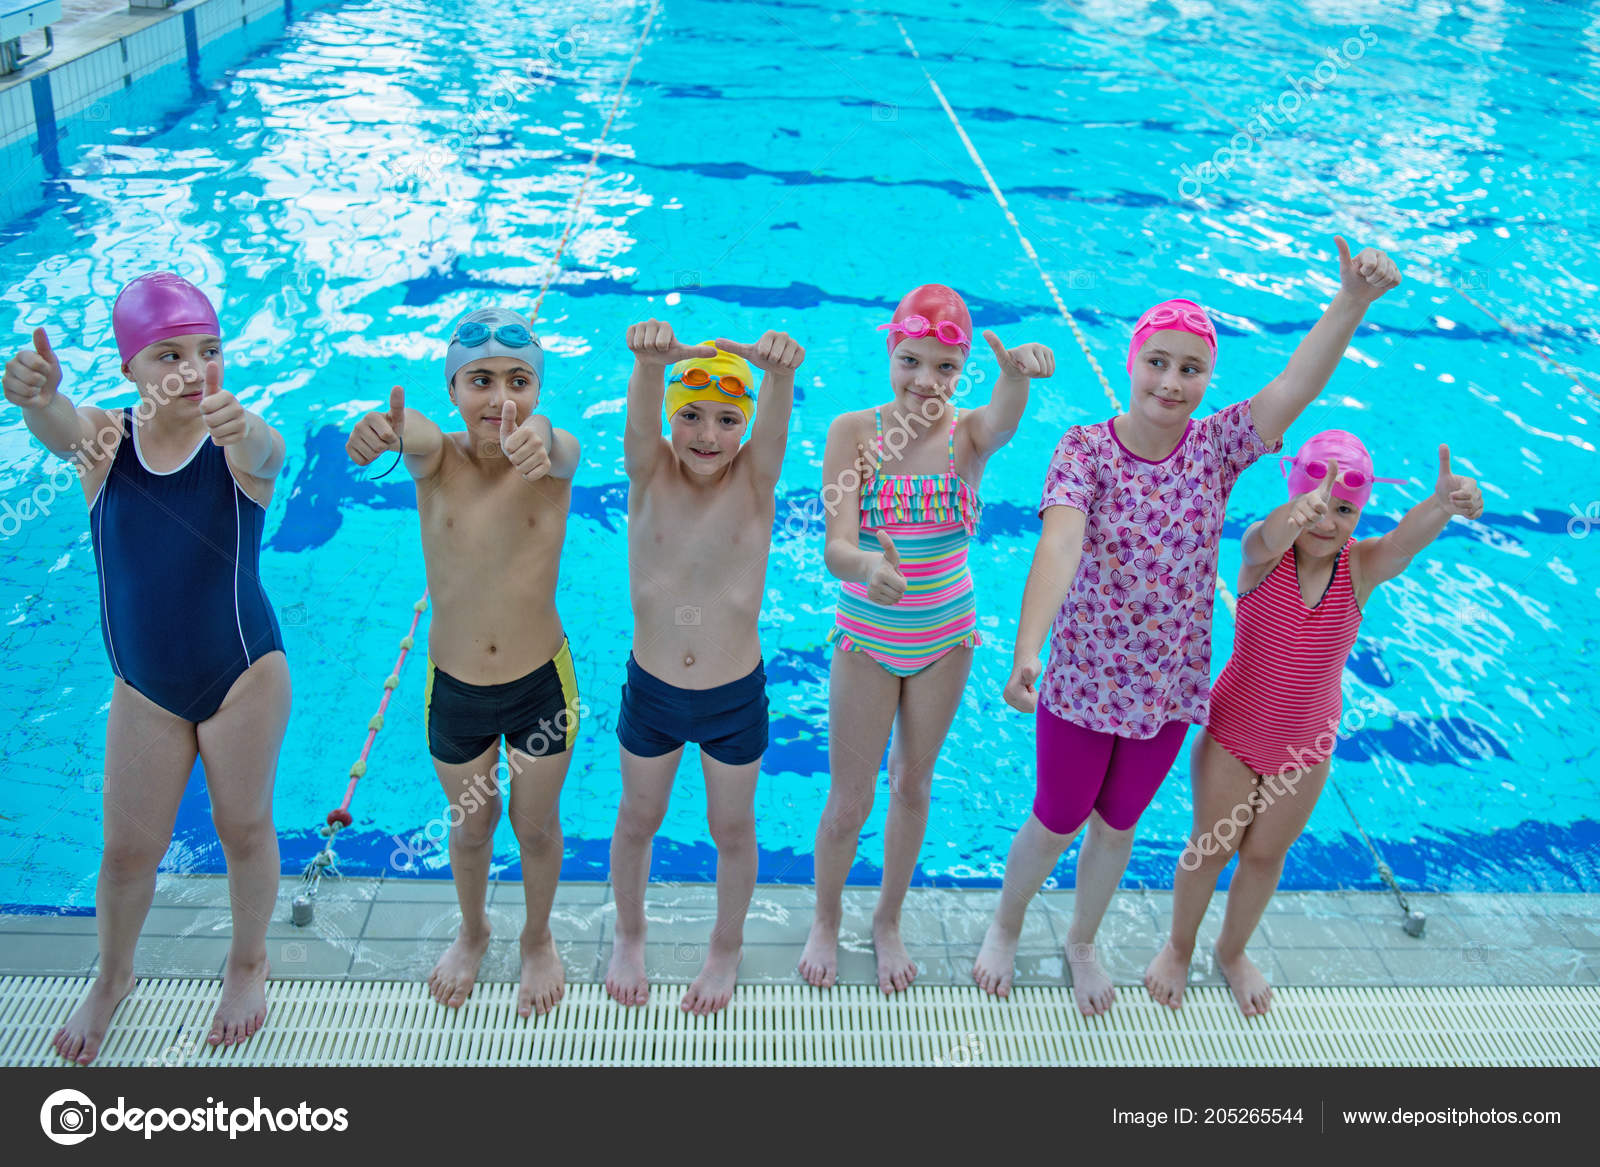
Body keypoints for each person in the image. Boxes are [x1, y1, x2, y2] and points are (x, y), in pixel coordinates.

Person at [973, 238, 1403, 1014]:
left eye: (1190, 368)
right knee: (1057, 816)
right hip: (1081, 681)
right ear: (1133, 364)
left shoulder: (1216, 448)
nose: (1172, 382)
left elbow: (1292, 389)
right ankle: (1005, 924)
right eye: (1158, 363)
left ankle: (1081, 939)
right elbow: (1060, 540)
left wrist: (1351, 303)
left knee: (1117, 824)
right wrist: (1029, 646)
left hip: (1167, 692)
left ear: (1207, 379)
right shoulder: (1084, 449)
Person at [3, 273, 290, 1062]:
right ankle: (112, 976)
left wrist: (245, 429)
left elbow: (272, 450)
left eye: (209, 351)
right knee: (126, 849)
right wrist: (33, 397)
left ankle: (247, 959)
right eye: (170, 354)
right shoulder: (106, 442)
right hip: (145, 690)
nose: (195, 370)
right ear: (130, 366)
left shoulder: (237, 446)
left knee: (242, 829)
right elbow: (58, 427)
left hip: (243, 678)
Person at [1145, 434, 1482, 1014]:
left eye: (1345, 509)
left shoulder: (1361, 568)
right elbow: (1264, 536)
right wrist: (1291, 516)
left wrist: (1441, 506)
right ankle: (1178, 947)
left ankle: (1232, 951)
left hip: (1305, 747)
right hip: (1233, 734)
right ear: (1294, 490)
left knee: (1264, 856)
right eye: (1316, 502)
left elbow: (1403, 543)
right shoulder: (1264, 556)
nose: (1327, 520)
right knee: (1208, 849)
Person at [799, 283, 1053, 993]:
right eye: (912, 361)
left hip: (946, 635)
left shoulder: (968, 434)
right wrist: (869, 567)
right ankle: (825, 916)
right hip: (868, 635)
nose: (926, 382)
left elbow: (1003, 421)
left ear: (963, 371)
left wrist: (1015, 375)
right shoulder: (853, 432)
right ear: (892, 351)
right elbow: (835, 547)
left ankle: (886, 919)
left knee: (911, 783)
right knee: (848, 798)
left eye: (946, 368)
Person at [346, 307, 581, 1018]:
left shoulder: (549, 456)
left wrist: (535, 436)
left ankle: (536, 938)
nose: (501, 398)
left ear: (538, 390)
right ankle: (474, 930)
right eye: (480, 380)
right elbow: (410, 433)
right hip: (455, 690)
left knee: (535, 827)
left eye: (518, 381)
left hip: (542, 684)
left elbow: (555, 445)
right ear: (454, 390)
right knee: (472, 824)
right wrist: (385, 428)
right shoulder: (437, 460)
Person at [605, 321, 802, 1014]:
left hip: (731, 700)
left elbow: (773, 415)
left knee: (732, 829)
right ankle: (630, 933)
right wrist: (651, 364)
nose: (707, 434)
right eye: (689, 415)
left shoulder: (755, 479)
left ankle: (726, 945)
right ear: (668, 419)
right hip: (654, 691)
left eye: (727, 419)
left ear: (745, 426)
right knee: (637, 819)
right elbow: (643, 409)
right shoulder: (649, 471)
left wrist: (777, 374)